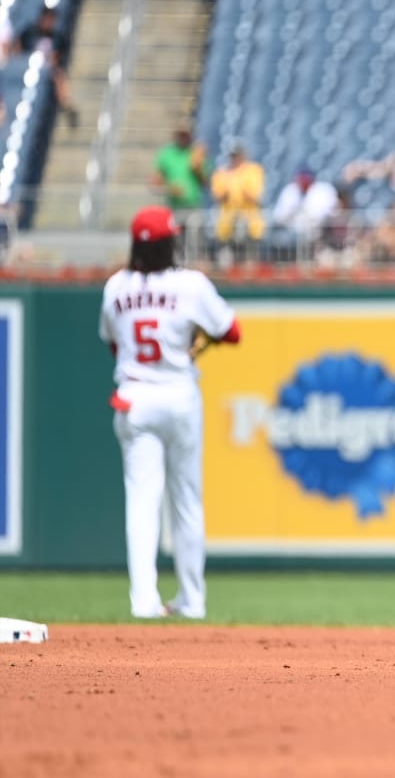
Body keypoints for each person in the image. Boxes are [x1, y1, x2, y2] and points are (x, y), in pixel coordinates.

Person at [99, 205, 241, 619]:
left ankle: (143, 601)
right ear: (171, 242)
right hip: (179, 395)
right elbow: (232, 331)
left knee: (142, 502)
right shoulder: (190, 284)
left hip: (136, 397)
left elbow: (112, 342)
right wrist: (198, 341)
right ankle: (192, 600)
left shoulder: (115, 287)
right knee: (186, 501)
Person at [13, 5, 78, 127]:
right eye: (46, 18)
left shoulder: (58, 38)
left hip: (47, 71)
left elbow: (59, 57)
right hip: (25, 71)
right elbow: (16, 50)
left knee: (59, 75)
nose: (48, 22)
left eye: (51, 19)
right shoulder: (29, 33)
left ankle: (66, 104)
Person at [209, 142, 266, 256]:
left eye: (237, 155)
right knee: (228, 258)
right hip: (227, 224)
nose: (235, 158)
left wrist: (237, 188)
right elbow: (218, 196)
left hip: (250, 222)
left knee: (249, 257)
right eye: (233, 155)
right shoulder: (222, 173)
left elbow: (254, 197)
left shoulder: (253, 171)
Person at [270, 166, 339, 250]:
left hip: (318, 231)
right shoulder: (290, 191)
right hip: (293, 231)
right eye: (302, 180)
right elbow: (279, 216)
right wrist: (292, 211)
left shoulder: (322, 190)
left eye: (306, 181)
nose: (304, 183)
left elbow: (330, 212)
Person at [150, 127, 206, 213]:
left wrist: (198, 170)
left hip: (193, 206)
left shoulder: (196, 152)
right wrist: (169, 189)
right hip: (172, 206)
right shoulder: (166, 154)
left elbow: (205, 182)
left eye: (186, 135)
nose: (183, 138)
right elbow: (155, 183)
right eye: (181, 135)